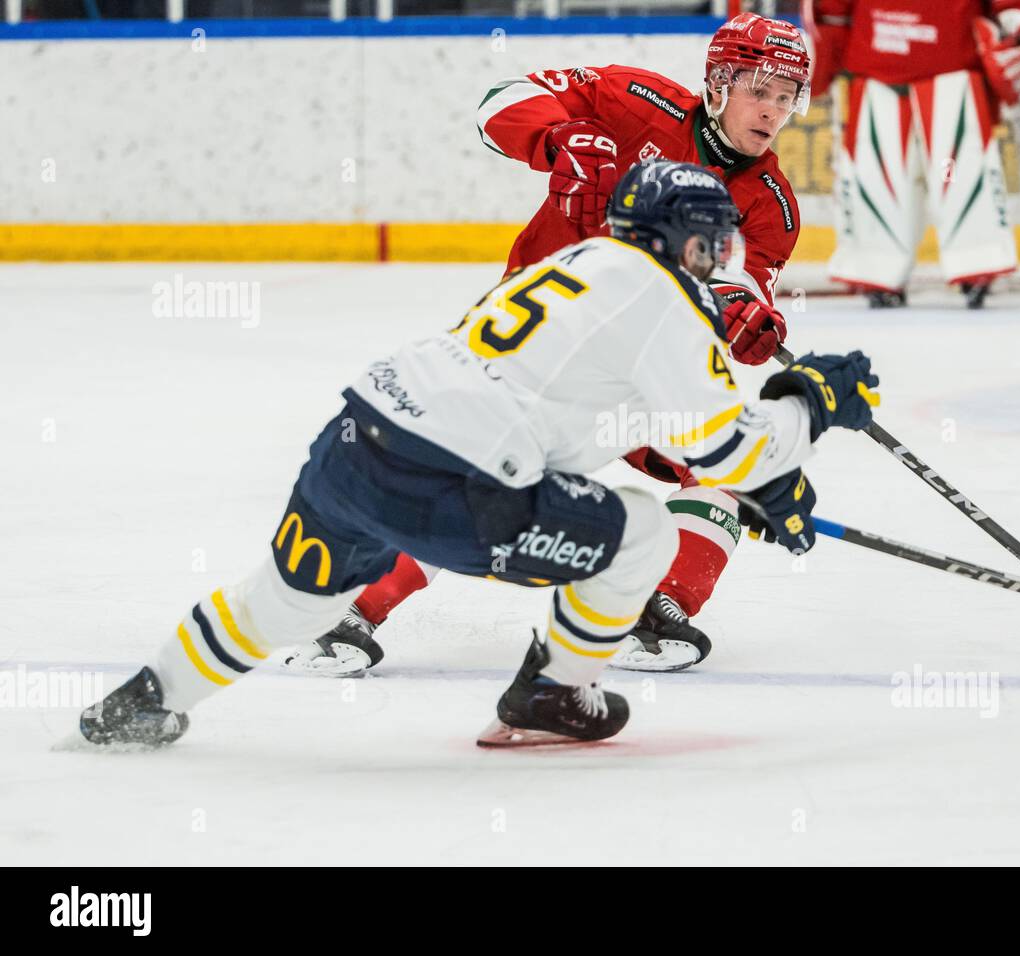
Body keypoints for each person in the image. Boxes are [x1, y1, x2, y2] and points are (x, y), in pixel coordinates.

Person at [78, 159, 880, 749]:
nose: (720, 261)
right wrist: (807, 406)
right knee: (643, 534)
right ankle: (552, 693)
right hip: (454, 484)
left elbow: (620, 418)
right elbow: (724, 446)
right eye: (713, 244)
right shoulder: (660, 295)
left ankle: (144, 698)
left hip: (356, 440)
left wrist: (772, 483)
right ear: (684, 242)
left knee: (285, 601)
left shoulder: (577, 264)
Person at [285, 13, 814, 677]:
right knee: (478, 468)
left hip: (632, 374)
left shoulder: (771, 204)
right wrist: (558, 136)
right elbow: (496, 103)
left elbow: (740, 286)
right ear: (716, 85)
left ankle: (659, 608)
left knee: (727, 465)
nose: (772, 110)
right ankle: (355, 607)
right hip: (532, 349)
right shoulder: (633, 101)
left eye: (786, 96)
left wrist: (742, 313)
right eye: (758, 90)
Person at [805, 0, 1020, 308]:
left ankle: (975, 261)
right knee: (878, 178)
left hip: (952, 69)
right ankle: (878, 267)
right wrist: (824, 47)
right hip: (877, 70)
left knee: (961, 174)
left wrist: (1017, 23)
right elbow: (832, 9)